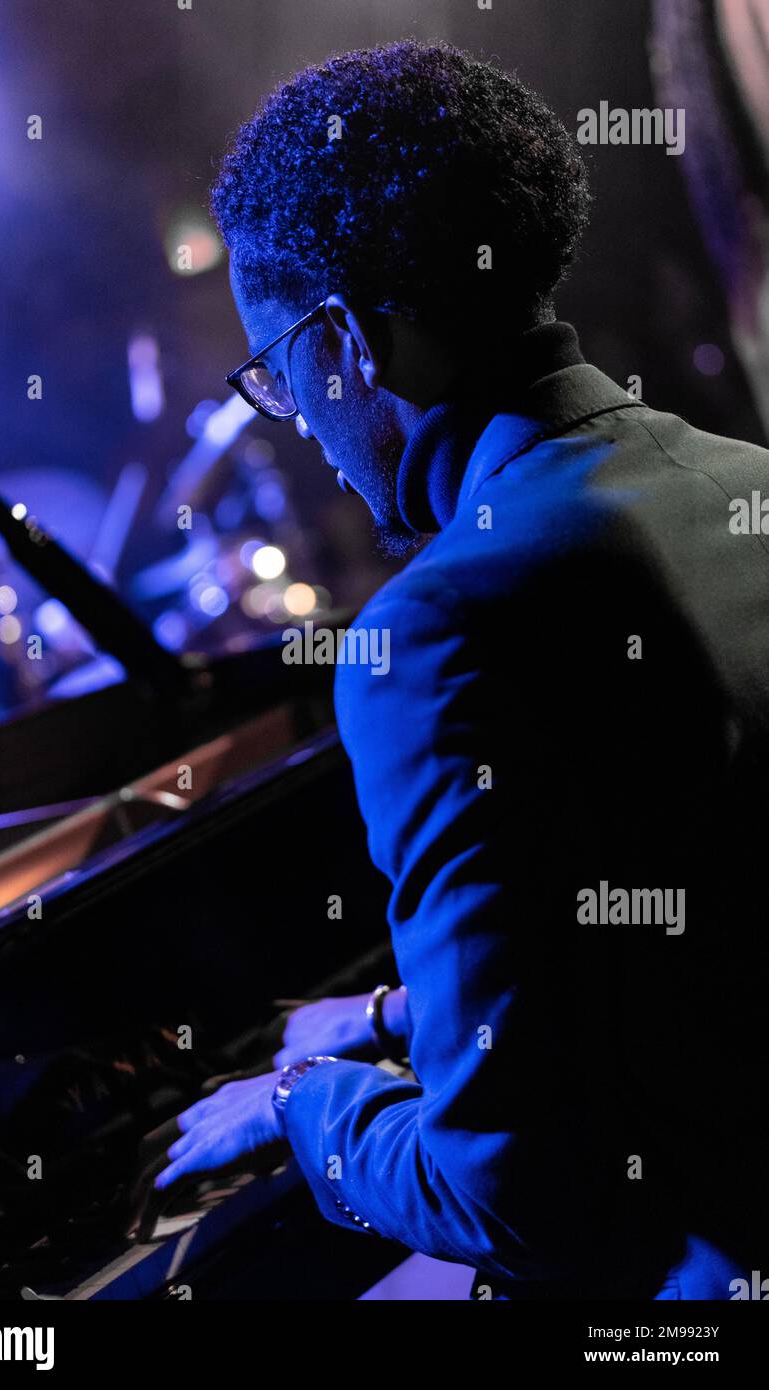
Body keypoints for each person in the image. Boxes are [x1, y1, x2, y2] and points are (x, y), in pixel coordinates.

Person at [154, 40, 769, 1300]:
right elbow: (680, 915)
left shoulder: (433, 633)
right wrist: (385, 1020)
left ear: (346, 349)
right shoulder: (746, 481)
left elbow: (507, 1192)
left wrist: (307, 1103)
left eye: (277, 374)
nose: (302, 430)